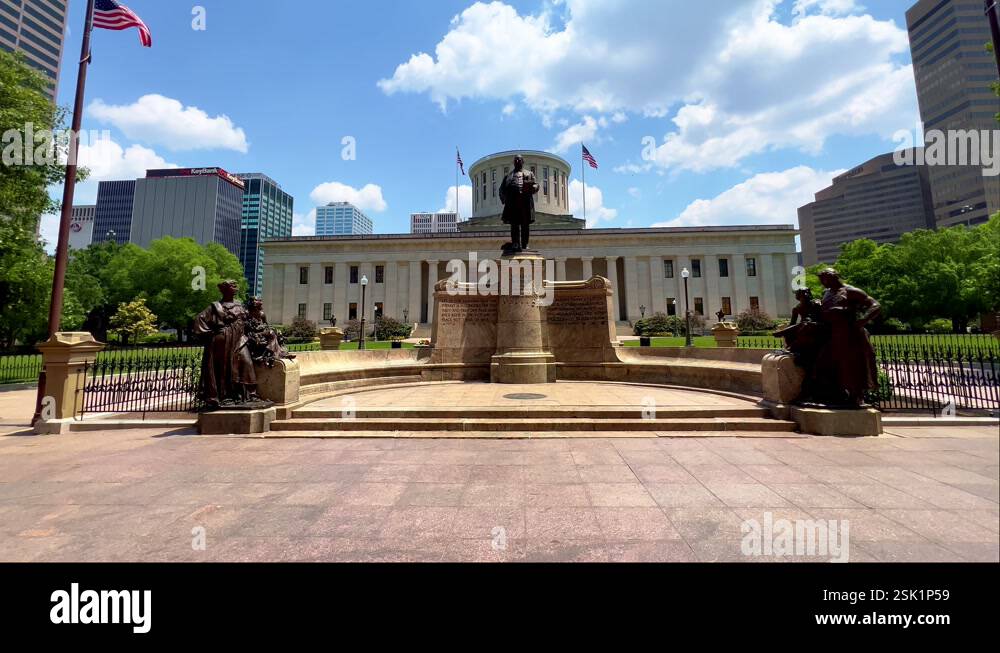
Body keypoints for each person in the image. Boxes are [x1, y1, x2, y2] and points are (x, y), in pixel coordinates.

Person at [813, 269, 881, 406]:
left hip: (851, 333)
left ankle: (856, 396)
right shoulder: (826, 293)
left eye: (823, 280)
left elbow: (875, 305)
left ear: (832, 277)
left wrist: (862, 320)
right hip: (833, 333)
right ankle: (835, 394)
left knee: (853, 365)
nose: (822, 283)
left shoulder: (851, 291)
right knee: (824, 363)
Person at [192, 280, 259, 408]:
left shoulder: (239, 305)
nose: (236, 288)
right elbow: (199, 319)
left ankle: (248, 395)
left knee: (246, 363)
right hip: (224, 340)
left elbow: (248, 322)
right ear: (225, 289)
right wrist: (212, 333)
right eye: (232, 286)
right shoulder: (216, 306)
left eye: (235, 285)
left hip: (240, 339)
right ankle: (226, 396)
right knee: (225, 368)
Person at [498, 155, 539, 254]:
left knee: (525, 225)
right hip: (513, 204)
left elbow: (536, 184)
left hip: (525, 203)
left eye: (519, 159)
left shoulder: (529, 174)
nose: (517, 161)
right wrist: (505, 199)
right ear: (514, 162)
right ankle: (516, 243)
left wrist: (533, 188)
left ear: (522, 162)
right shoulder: (508, 176)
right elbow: (501, 190)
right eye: (515, 160)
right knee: (514, 225)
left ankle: (525, 244)